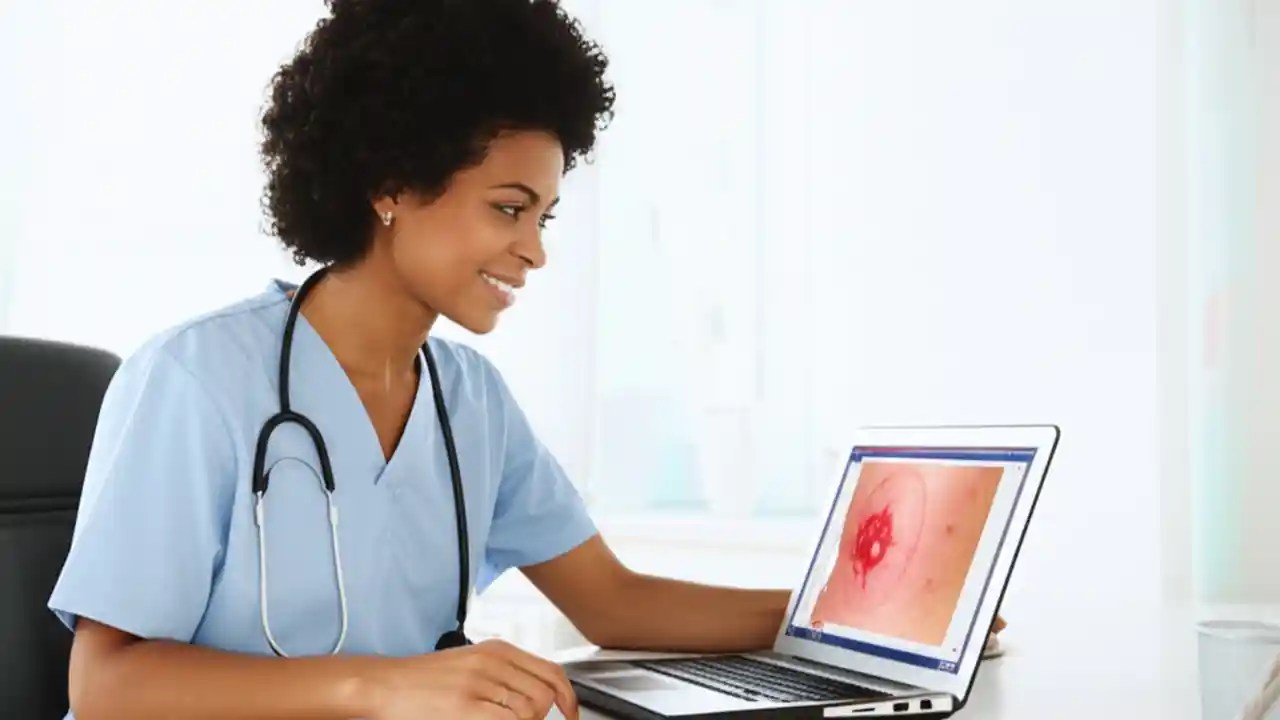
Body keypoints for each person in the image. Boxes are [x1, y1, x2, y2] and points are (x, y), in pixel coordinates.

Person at [47, 2, 1002, 719]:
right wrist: (385, 688)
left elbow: (614, 602)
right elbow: (107, 682)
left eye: (544, 218)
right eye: (508, 208)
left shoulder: (469, 400)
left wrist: (858, 618)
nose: (535, 250)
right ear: (388, 184)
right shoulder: (195, 380)